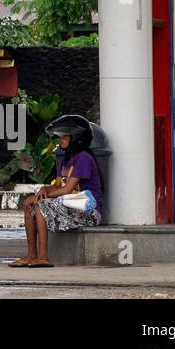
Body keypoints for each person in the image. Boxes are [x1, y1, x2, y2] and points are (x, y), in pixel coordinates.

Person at [13, 115, 105, 268]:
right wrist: (43, 190)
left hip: (89, 211)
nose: (60, 140)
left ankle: (43, 257)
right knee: (29, 206)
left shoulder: (84, 158)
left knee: (40, 206)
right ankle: (31, 255)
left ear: (76, 139)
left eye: (64, 137)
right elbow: (58, 186)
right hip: (69, 206)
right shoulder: (66, 159)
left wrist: (40, 198)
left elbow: (68, 189)